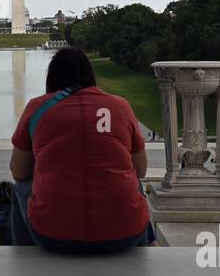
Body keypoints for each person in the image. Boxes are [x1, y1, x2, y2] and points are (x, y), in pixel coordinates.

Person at [9, 48, 154, 253]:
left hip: (51, 235)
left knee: (20, 186)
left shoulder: (37, 107)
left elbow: (19, 172)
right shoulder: (120, 106)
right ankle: (148, 246)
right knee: (131, 181)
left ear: (52, 77)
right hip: (126, 235)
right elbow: (141, 170)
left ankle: (23, 257)